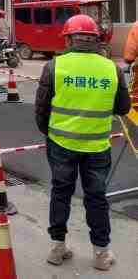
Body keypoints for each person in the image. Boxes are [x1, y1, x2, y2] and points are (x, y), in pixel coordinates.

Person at [35, 14, 130, 271]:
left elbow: (41, 111)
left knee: (61, 193)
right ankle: (101, 254)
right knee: (96, 198)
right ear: (97, 40)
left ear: (68, 39)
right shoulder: (112, 68)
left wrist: (51, 133)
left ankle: (57, 249)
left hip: (61, 145)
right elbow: (123, 108)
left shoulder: (55, 66)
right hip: (97, 147)